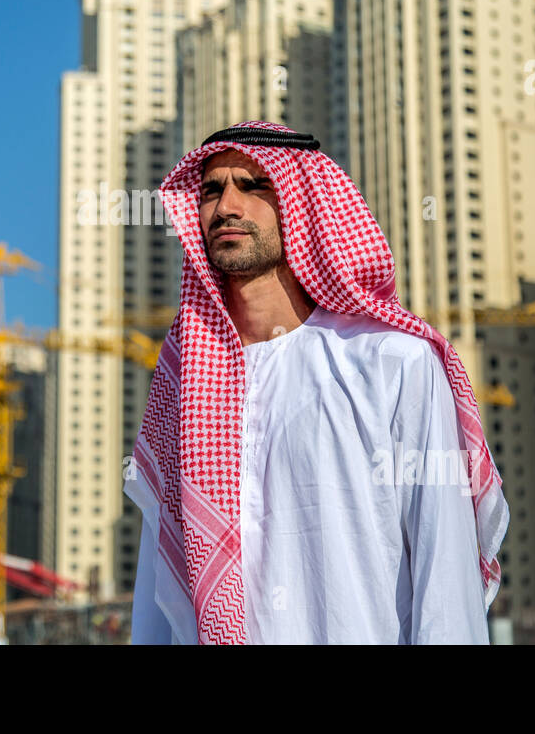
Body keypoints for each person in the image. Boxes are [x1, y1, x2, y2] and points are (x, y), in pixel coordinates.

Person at [125, 121, 509, 644]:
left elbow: (446, 575)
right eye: (211, 190)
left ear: (301, 203)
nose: (226, 206)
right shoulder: (184, 384)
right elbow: (158, 593)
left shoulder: (393, 363)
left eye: (253, 185)